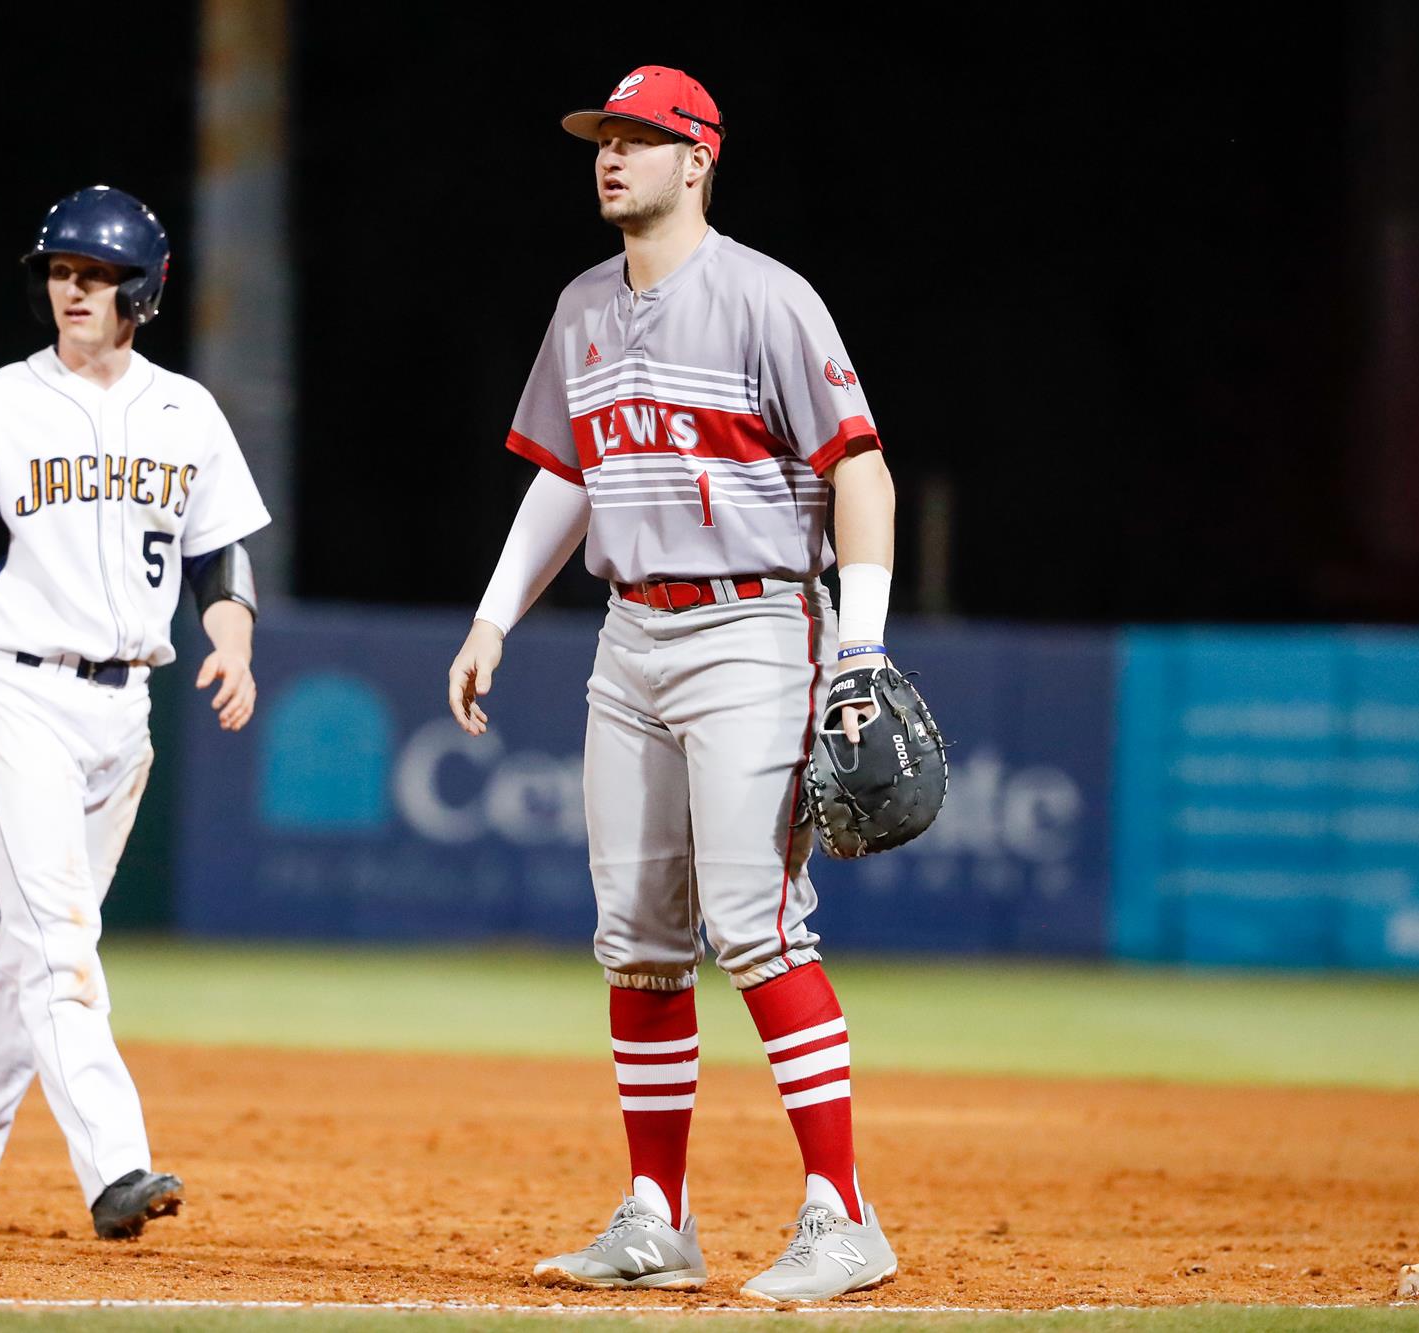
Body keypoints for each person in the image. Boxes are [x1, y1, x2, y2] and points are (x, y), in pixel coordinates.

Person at [446, 68, 900, 1301]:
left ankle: (844, 1215)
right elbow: (567, 475)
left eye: (639, 139)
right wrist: (493, 616)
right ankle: (658, 1215)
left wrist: (857, 646)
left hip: (754, 628)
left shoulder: (766, 298)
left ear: (696, 158)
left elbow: (859, 472)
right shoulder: (582, 306)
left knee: (753, 924)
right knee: (636, 940)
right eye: (603, 137)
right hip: (627, 640)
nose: (611, 156)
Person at [0, 185, 269, 1240]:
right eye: (57, 271)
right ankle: (117, 1166)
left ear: (142, 291)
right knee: (61, 940)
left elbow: (218, 548)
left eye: (92, 274)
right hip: (16, 692)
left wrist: (232, 635)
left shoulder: (186, 411)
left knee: (34, 945)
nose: (69, 288)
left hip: (123, 709)